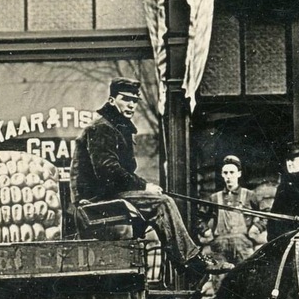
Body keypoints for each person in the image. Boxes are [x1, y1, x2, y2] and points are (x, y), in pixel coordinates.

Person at [72, 77, 228, 285]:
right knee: (162, 203)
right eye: (125, 99)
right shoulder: (102, 128)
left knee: (160, 200)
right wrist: (145, 186)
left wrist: (144, 187)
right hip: (96, 200)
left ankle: (186, 262)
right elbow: (108, 171)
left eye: (134, 101)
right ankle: (191, 263)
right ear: (111, 100)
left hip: (108, 195)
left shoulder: (117, 127)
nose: (131, 105)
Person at [197, 155, 265, 299]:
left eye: (232, 172)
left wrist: (256, 228)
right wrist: (205, 231)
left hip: (243, 247)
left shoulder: (249, 195)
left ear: (239, 174)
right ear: (222, 174)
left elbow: (265, 214)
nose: (229, 176)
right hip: (220, 249)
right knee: (220, 287)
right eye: (225, 173)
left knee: (247, 284)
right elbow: (199, 218)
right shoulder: (215, 198)